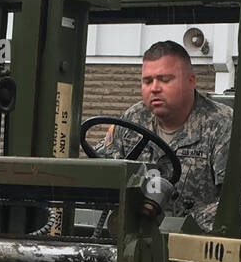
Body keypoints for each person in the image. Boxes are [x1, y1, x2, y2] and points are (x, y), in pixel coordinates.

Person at [94, 40, 232, 232]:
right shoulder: (133, 119)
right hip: (132, 238)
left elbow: (238, 201)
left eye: (165, 80)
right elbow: (100, 173)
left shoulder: (223, 124)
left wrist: (178, 226)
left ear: (191, 81)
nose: (154, 88)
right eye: (147, 81)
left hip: (195, 244)